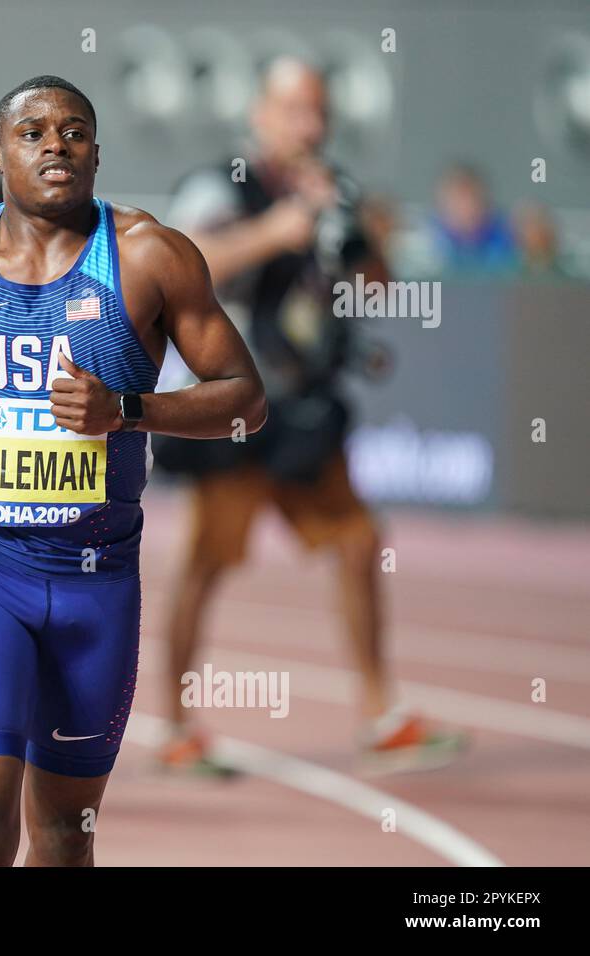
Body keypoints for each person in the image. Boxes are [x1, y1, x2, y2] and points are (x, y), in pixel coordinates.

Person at [0, 75, 266, 865]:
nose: (56, 144)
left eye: (75, 131)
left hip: (98, 580)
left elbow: (247, 401)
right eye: (34, 132)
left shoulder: (151, 255)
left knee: (63, 833)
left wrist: (129, 410)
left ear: (95, 153)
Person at [155, 57, 468, 777]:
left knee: (359, 542)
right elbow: (188, 260)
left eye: (318, 111)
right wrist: (277, 230)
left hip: (303, 408)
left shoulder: (336, 191)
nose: (311, 125)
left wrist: (359, 234)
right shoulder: (223, 182)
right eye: (294, 109)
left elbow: (378, 290)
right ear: (260, 114)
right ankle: (174, 723)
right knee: (206, 563)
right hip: (233, 405)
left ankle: (379, 712)